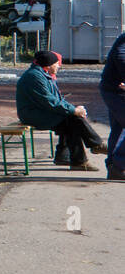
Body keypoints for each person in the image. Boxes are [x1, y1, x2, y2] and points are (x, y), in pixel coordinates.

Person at [16, 50, 109, 170]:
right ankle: (93, 148)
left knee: (71, 120)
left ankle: (75, 158)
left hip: (40, 111)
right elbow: (49, 101)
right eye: (56, 63)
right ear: (48, 65)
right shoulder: (34, 77)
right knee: (71, 119)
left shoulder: (43, 75)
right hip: (32, 115)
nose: (59, 65)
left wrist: (74, 109)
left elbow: (57, 99)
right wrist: (73, 111)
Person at [100, 32, 125, 180]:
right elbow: (120, 55)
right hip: (116, 90)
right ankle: (119, 165)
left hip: (114, 88)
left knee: (119, 127)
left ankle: (114, 167)